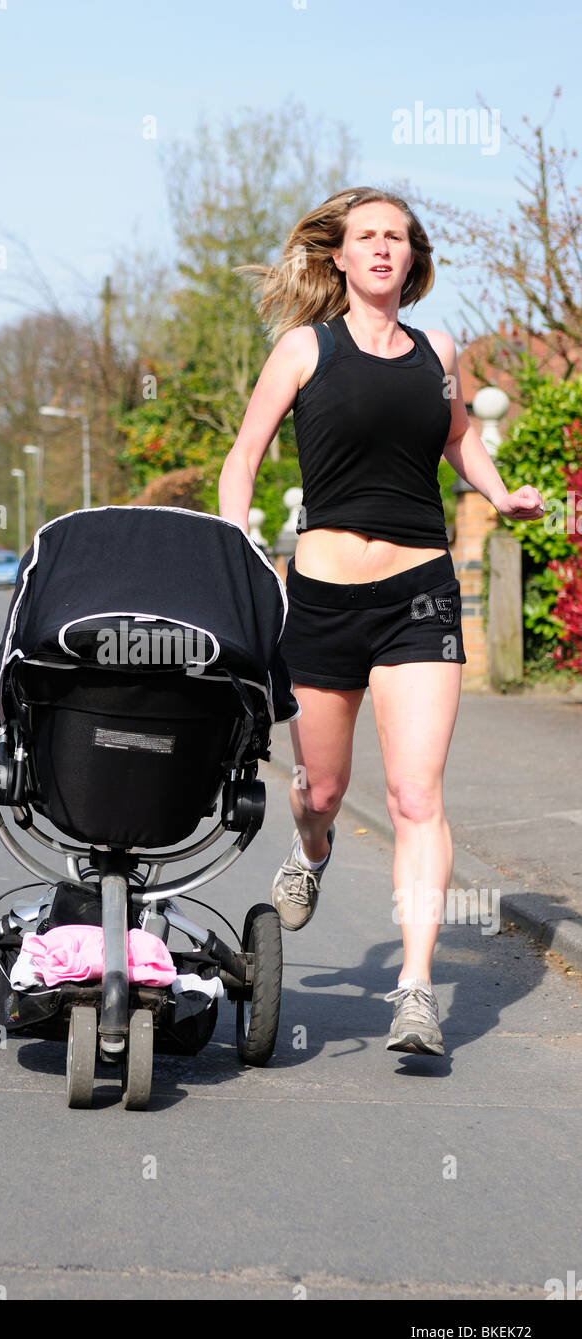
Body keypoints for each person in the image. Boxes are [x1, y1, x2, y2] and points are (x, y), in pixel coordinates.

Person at [218, 187, 544, 1056]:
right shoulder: (302, 348)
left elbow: (455, 439)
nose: (380, 249)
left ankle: (413, 991)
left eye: (395, 238)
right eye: (365, 236)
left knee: (414, 795)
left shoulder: (435, 350)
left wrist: (497, 490)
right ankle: (311, 848)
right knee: (319, 789)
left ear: (411, 258)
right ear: (338, 255)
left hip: (418, 596)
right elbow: (244, 454)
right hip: (322, 601)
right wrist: (235, 543)